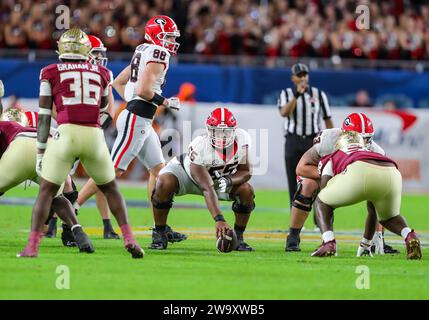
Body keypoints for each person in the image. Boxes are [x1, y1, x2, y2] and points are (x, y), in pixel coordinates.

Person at [17, 28, 143, 258]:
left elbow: (44, 115)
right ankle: (129, 238)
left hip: (66, 133)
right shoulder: (102, 72)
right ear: (87, 50)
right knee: (111, 188)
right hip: (94, 135)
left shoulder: (50, 71)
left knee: (47, 192)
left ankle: (32, 247)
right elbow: (105, 110)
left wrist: (40, 152)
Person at [74, 16, 187, 245]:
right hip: (137, 118)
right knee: (112, 170)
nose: (172, 42)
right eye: (168, 37)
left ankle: (160, 228)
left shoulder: (144, 48)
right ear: (157, 35)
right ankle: (72, 208)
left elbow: (118, 82)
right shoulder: (157, 53)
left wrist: (132, 96)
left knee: (160, 171)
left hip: (142, 118)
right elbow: (145, 90)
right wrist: (165, 102)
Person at [287, 112, 398, 254]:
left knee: (377, 192)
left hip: (351, 179)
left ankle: (377, 240)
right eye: (359, 138)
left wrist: (378, 235)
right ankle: (293, 236)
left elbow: (381, 192)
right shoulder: (328, 140)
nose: (363, 143)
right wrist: (330, 174)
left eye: (367, 139)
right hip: (323, 175)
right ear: (345, 135)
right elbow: (301, 168)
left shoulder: (376, 151)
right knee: (308, 186)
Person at [150, 107, 255, 251]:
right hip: (186, 175)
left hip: (218, 180)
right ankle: (160, 232)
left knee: (246, 190)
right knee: (164, 181)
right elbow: (207, 188)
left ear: (234, 130)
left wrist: (229, 180)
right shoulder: (200, 146)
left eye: (226, 132)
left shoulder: (242, 139)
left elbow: (246, 171)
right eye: (217, 131)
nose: (221, 136)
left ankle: (238, 237)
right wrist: (219, 219)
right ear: (208, 130)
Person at [309, 131, 422, 260]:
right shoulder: (372, 150)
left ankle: (328, 242)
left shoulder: (334, 155)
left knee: (321, 201)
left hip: (360, 168)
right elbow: (372, 211)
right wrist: (365, 244)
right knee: (389, 218)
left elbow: (325, 189)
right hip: (392, 172)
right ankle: (409, 236)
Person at [0, 115, 94, 254]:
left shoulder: (6, 126)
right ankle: (78, 232)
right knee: (57, 197)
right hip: (49, 150)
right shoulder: (47, 129)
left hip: (21, 147)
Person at [69, 34, 120, 240]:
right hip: (70, 131)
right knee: (62, 179)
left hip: (92, 131)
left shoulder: (103, 74)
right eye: (95, 54)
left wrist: (98, 125)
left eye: (101, 54)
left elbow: (111, 107)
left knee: (102, 177)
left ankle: (107, 225)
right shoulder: (70, 72)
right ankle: (54, 221)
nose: (99, 58)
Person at [278, 62, 333, 246]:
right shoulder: (287, 94)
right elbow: (284, 113)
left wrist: (332, 144)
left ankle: (320, 219)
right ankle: (295, 225)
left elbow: (327, 120)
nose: (302, 78)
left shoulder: (319, 95)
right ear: (293, 78)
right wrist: (296, 94)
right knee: (293, 183)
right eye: (299, 75)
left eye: (305, 74)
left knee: (319, 181)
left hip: (313, 141)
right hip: (293, 140)